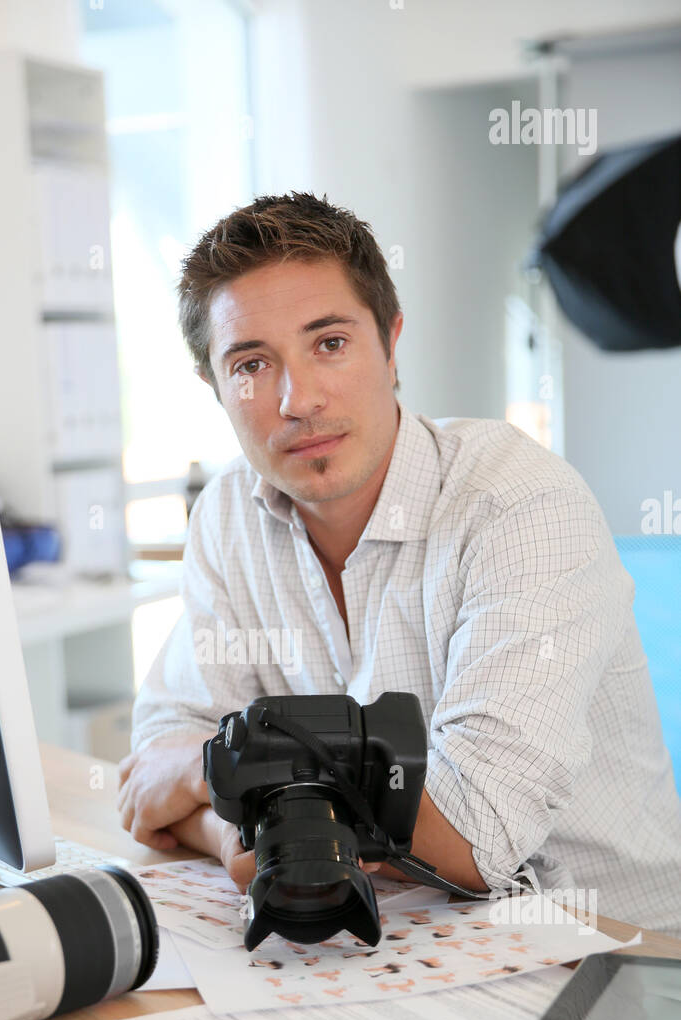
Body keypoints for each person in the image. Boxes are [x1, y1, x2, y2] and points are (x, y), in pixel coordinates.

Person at [118, 191, 681, 933]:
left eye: (330, 343)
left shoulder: (519, 502)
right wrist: (241, 835)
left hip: (610, 960)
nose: (299, 399)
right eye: (252, 363)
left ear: (391, 342)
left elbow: (473, 833)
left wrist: (212, 774)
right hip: (395, 950)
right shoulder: (229, 516)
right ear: (216, 389)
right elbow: (153, 757)